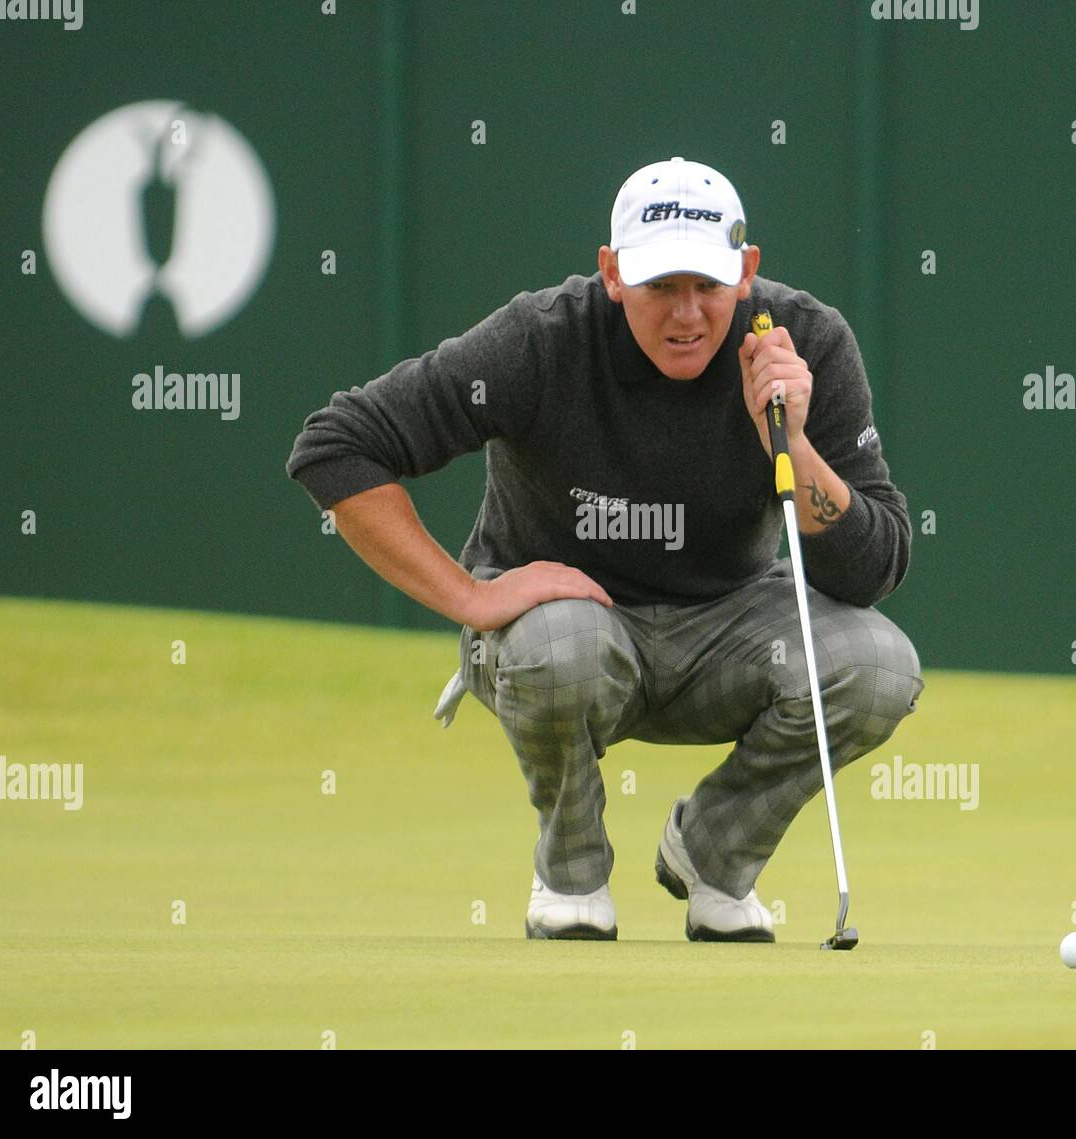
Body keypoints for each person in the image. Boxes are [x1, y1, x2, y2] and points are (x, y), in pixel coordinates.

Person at [285, 156, 923, 943]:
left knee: (881, 666)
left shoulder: (805, 344)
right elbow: (336, 446)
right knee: (563, 645)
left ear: (746, 273)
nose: (687, 314)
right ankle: (571, 869)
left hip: (727, 632)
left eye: (707, 286)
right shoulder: (541, 340)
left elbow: (876, 565)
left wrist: (790, 440)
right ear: (613, 273)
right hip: (566, 633)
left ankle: (715, 857)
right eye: (660, 286)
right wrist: (472, 598)